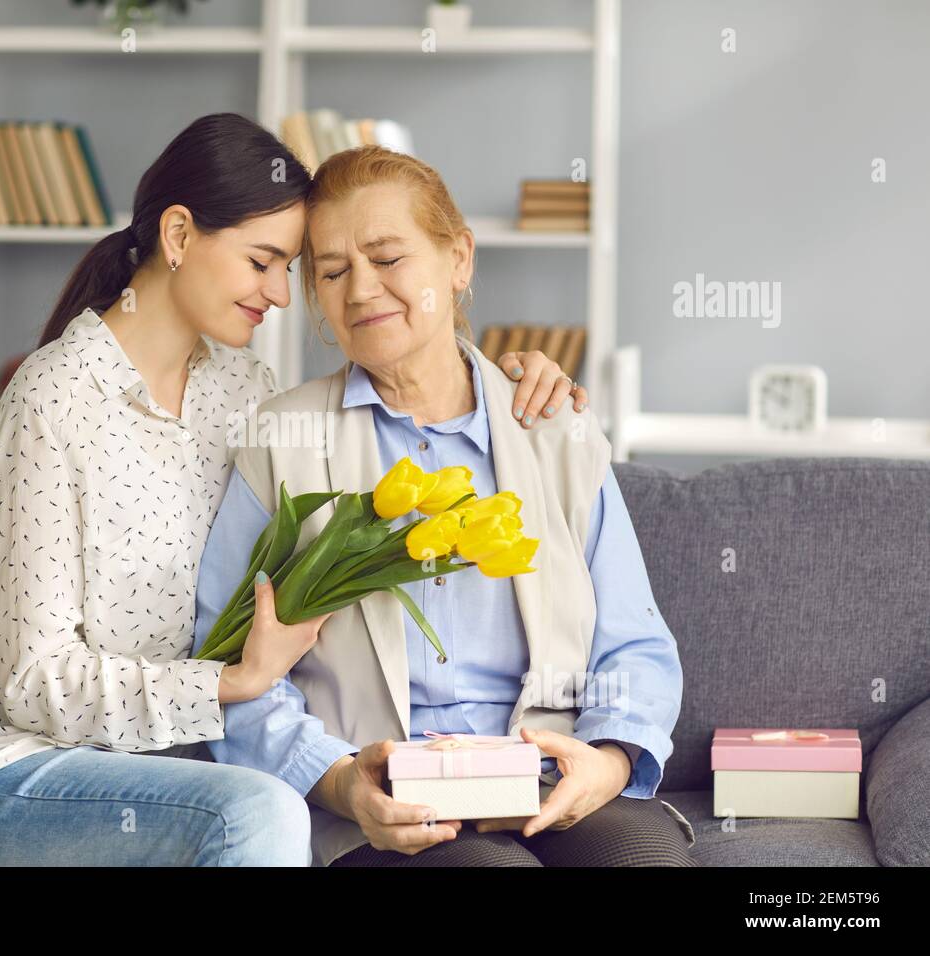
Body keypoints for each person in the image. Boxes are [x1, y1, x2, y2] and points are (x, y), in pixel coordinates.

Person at [0, 115, 586, 866]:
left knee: (259, 804)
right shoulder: (52, 400)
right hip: (23, 773)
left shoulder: (245, 392)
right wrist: (228, 683)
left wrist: (512, 378)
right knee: (260, 810)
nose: (279, 293)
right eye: (262, 261)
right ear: (177, 235)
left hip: (180, 778)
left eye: (290, 268)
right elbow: (34, 683)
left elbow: (392, 404)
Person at [192, 145, 696, 867]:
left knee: (645, 862)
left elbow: (634, 643)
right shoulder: (282, 440)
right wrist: (339, 783)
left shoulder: (555, 430)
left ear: (458, 259)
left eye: (388, 258)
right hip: (387, 806)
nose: (361, 289)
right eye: (331, 271)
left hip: (547, 780)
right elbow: (227, 668)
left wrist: (608, 761)